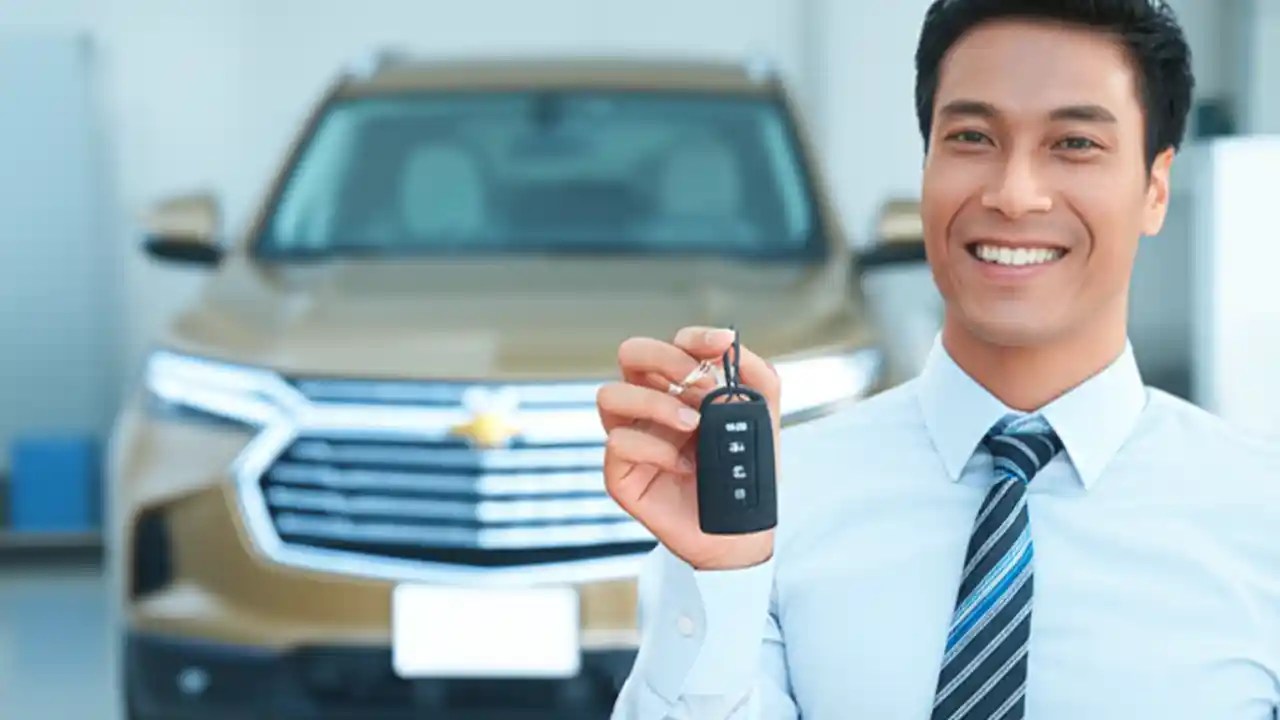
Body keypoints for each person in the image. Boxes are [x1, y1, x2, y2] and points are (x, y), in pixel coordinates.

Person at [595, 0, 1280, 718]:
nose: (1014, 195)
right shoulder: (772, 510)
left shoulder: (1261, 516)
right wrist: (721, 573)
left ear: (1155, 188)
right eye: (973, 137)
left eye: (1075, 143)